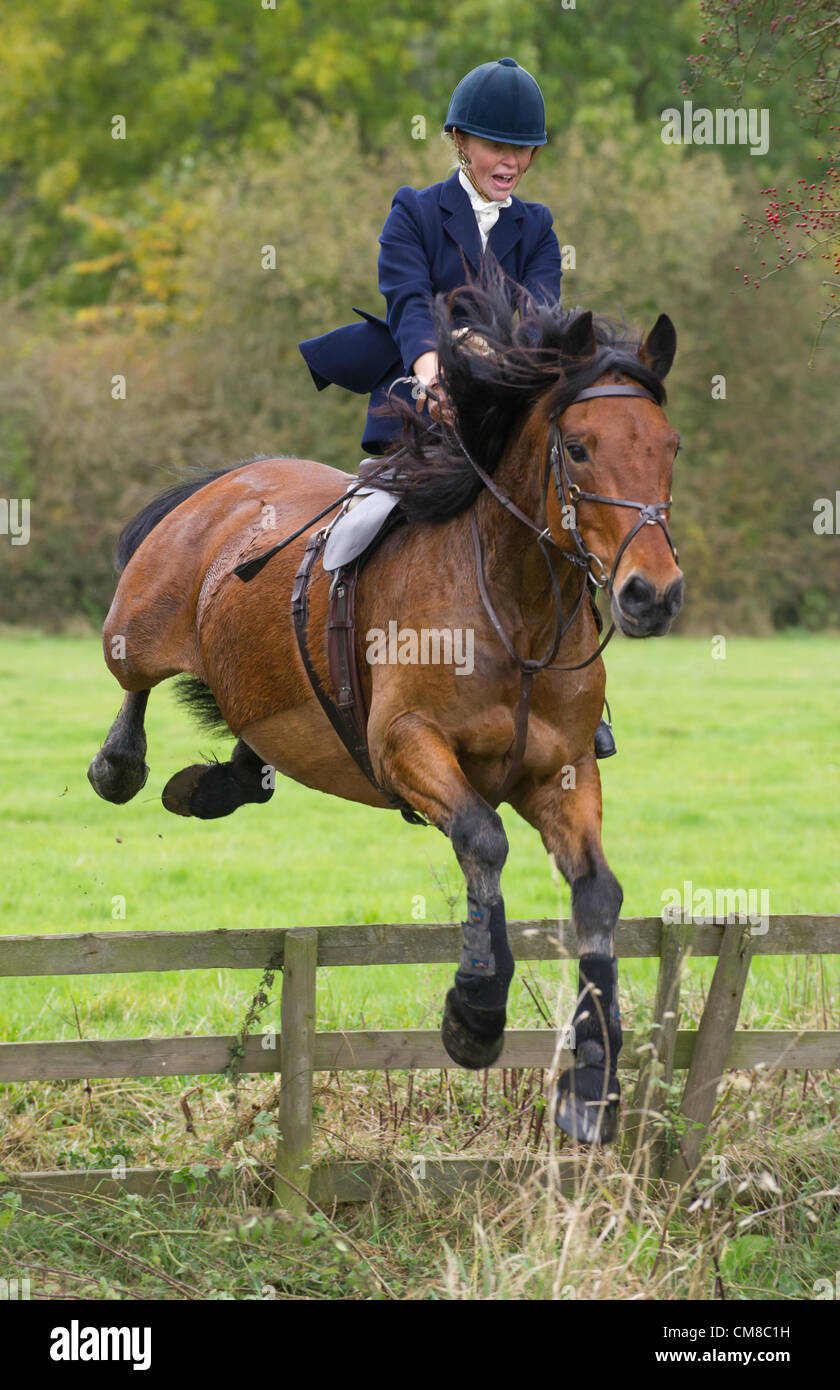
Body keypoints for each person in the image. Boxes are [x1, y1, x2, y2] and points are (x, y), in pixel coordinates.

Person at [298, 57, 616, 758]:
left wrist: (489, 347)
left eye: (522, 149)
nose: (511, 161)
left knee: (567, 533)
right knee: (359, 529)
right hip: (418, 407)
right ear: (458, 142)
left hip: (500, 425)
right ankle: (335, 666)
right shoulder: (414, 210)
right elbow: (407, 298)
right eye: (495, 146)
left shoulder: (535, 226)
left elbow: (536, 310)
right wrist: (434, 364)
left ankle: (585, 697)